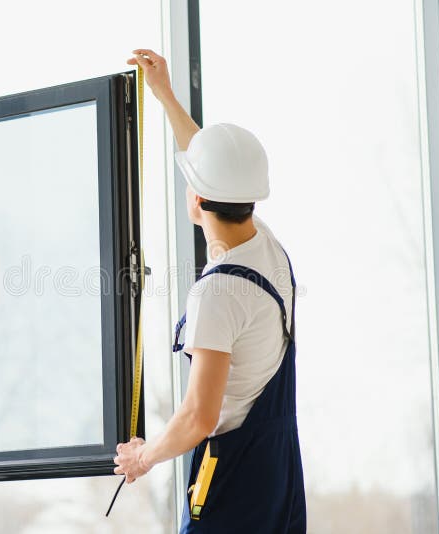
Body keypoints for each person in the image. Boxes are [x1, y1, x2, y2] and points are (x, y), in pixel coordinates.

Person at [113, 49, 306, 533]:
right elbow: (215, 164)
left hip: (234, 482)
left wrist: (143, 457)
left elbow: (199, 417)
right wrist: (165, 96)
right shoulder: (266, 246)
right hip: (279, 474)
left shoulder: (216, 295)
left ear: (197, 200)